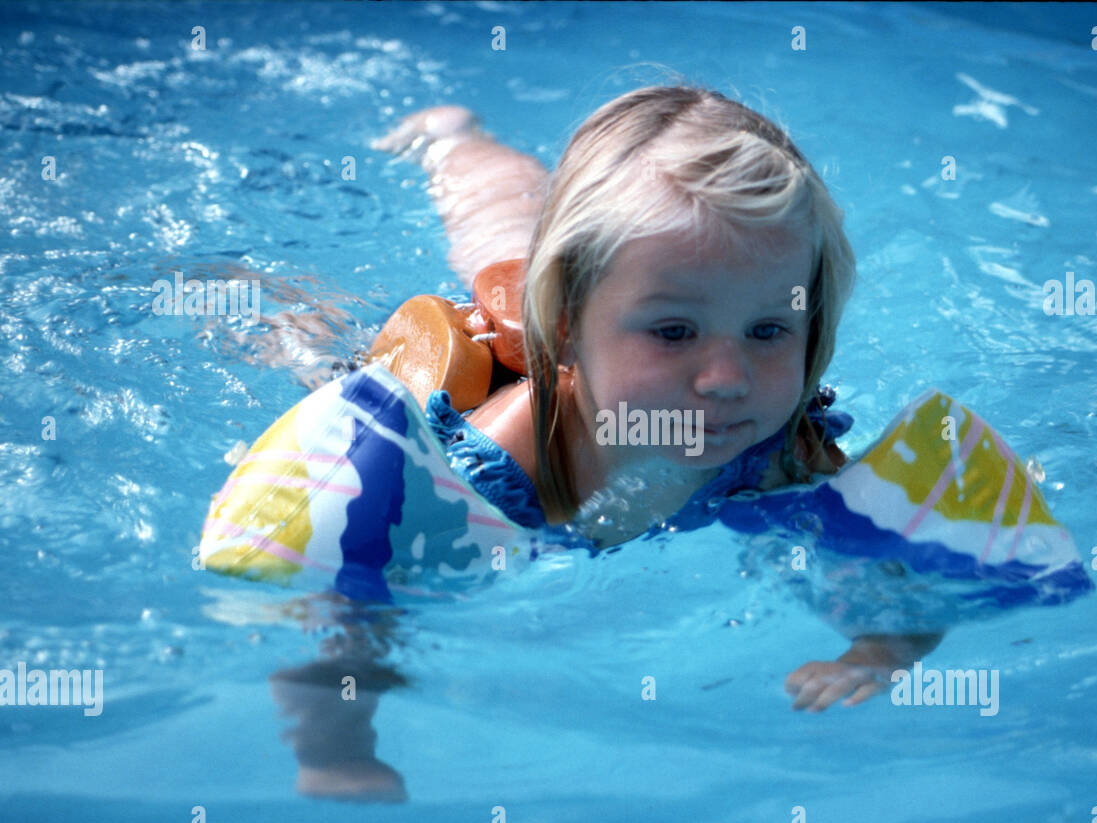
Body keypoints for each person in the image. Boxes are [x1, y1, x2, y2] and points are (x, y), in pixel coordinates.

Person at [371, 85, 939, 713]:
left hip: (589, 304)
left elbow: (896, 578)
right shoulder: (495, 466)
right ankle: (453, 142)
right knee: (496, 228)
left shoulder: (779, 442)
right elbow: (364, 589)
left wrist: (879, 654)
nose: (727, 377)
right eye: (674, 332)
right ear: (564, 325)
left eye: (768, 329)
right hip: (487, 362)